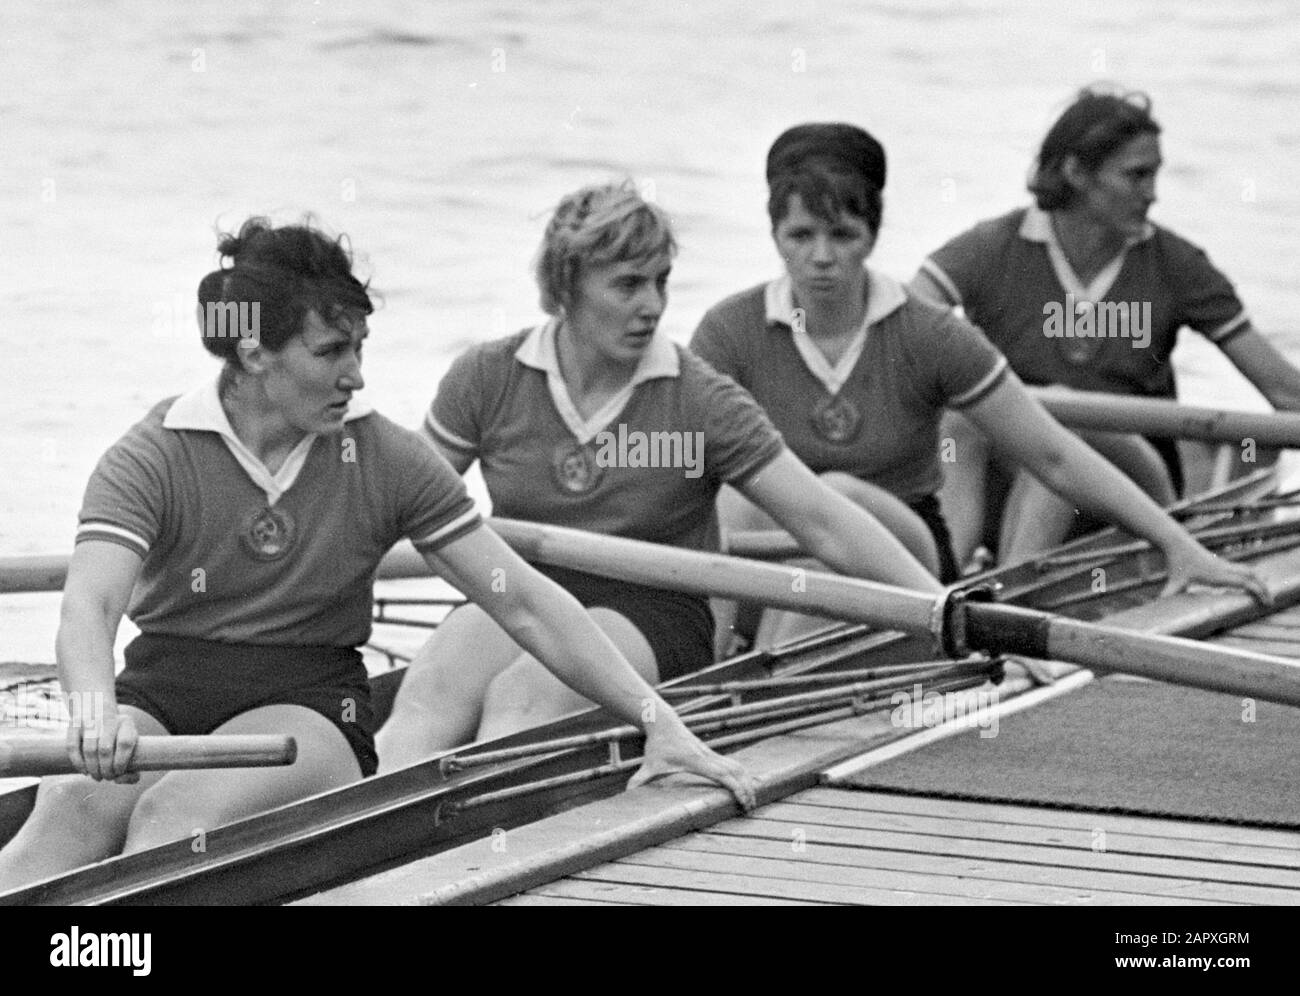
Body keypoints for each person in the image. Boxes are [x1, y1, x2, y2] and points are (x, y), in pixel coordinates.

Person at [0, 218, 756, 894]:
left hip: (310, 709)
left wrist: (659, 718)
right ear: (255, 351)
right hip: (163, 693)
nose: (357, 375)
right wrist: (93, 709)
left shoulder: (383, 457)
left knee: (173, 820)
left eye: (360, 347)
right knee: (67, 806)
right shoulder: (155, 454)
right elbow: (90, 605)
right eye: (332, 351)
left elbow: (520, 600)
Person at [376, 182, 946, 771]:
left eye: (661, 281)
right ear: (566, 288)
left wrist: (942, 610)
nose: (652, 305)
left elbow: (823, 523)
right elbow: (400, 516)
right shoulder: (486, 378)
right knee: (428, 695)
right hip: (523, 586)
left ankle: (483, 846)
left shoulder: (699, 397)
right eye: (628, 284)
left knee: (525, 701)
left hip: (654, 604)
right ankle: (364, 846)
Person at [690, 121, 1268, 642]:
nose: (821, 258)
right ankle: (705, 669)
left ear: (872, 234)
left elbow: (1055, 455)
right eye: (800, 235)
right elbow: (683, 477)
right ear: (774, 234)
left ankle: (762, 671)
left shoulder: (928, 334)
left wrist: (1179, 545)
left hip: (909, 554)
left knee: (834, 495)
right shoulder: (730, 329)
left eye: (842, 236)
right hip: (784, 546)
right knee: (720, 497)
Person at [911, 87, 1300, 561]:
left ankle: (1006, 598)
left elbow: (1285, 394)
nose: (1152, 194)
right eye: (1136, 176)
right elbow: (901, 336)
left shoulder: (1176, 264)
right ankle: (942, 581)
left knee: (1060, 428)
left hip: (1142, 487)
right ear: (1076, 173)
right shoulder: (992, 249)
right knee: (963, 421)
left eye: (1155, 176)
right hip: (1018, 475)